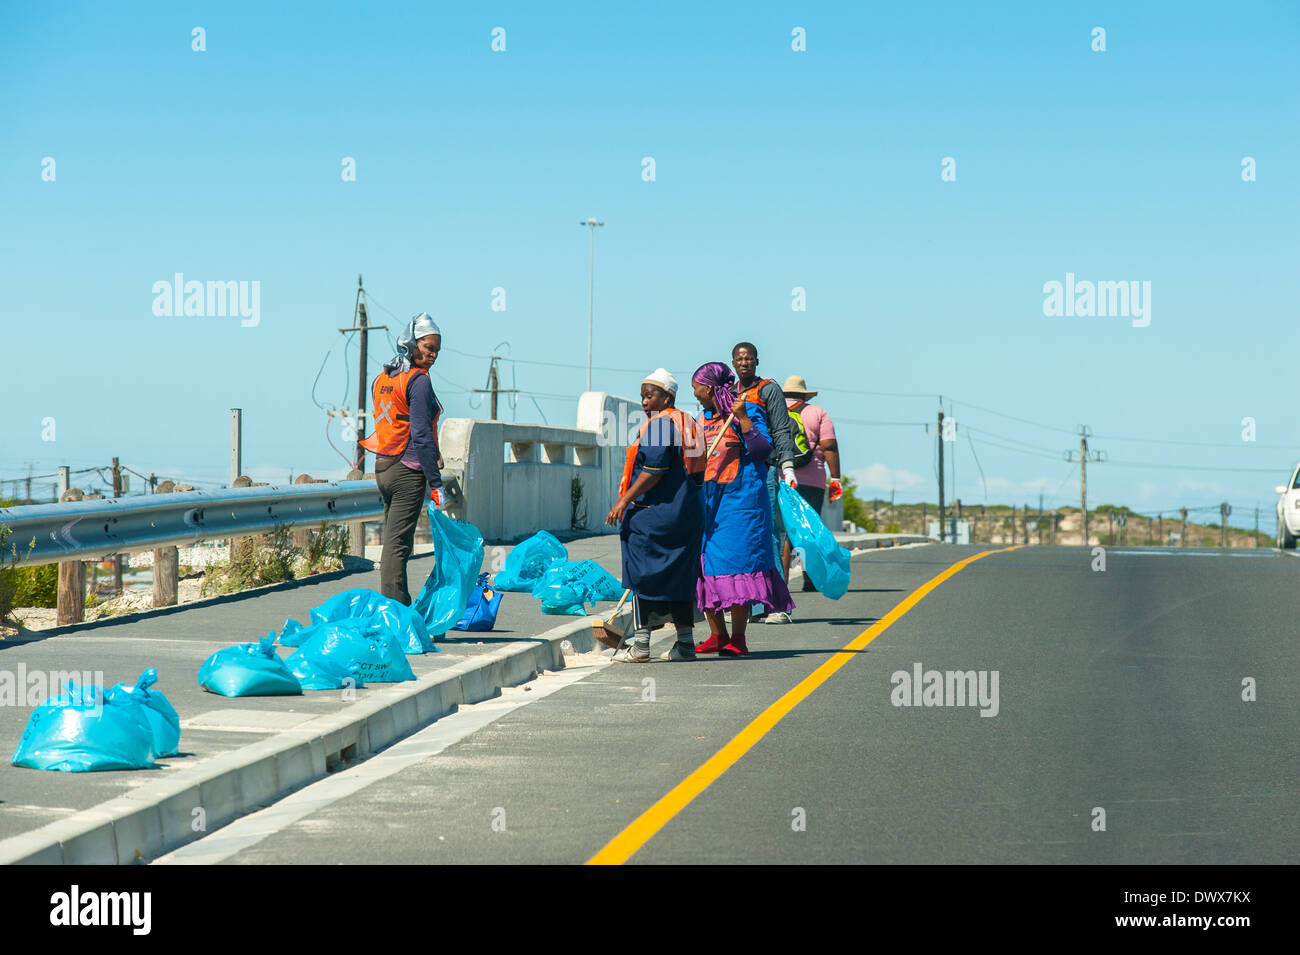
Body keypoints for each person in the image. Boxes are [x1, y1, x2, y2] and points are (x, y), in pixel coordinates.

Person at [691, 362, 795, 656]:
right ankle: (717, 635)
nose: (695, 393)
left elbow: (764, 451)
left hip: (741, 505)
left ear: (709, 387)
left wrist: (743, 420)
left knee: (736, 566)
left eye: (697, 387)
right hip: (709, 503)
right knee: (704, 566)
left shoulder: (745, 412)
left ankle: (738, 637)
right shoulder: (701, 419)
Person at [603, 368, 705, 663]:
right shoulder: (689, 422)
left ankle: (642, 646)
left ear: (667, 396)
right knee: (680, 576)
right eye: (643, 397)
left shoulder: (661, 426)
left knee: (644, 573)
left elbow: (654, 470)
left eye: (650, 396)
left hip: (656, 514)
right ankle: (685, 645)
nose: (645, 402)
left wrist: (624, 501)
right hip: (687, 514)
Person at [360, 312, 445, 605]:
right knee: (398, 546)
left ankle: (399, 605)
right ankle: (396, 613)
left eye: (436, 350)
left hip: (383, 467)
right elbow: (420, 435)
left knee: (396, 542)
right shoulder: (418, 381)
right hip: (408, 471)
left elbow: (398, 422)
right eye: (427, 348)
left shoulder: (384, 377)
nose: (432, 355)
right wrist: (436, 483)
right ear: (412, 343)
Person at [730, 342, 798, 624]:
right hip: (734, 472)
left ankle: (777, 604)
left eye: (749, 359)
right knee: (744, 536)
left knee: (769, 532)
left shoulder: (768, 389)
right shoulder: (728, 392)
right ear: (733, 363)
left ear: (756, 361)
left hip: (765, 469)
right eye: (739, 359)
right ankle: (753, 603)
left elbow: (781, 429)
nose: (744, 363)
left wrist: (788, 466)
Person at [781, 375, 843, 591]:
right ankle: (811, 578)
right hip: (813, 480)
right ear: (804, 394)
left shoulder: (774, 412)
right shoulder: (817, 412)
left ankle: (782, 583)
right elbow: (829, 447)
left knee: (784, 532)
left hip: (782, 479)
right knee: (808, 529)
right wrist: (835, 478)